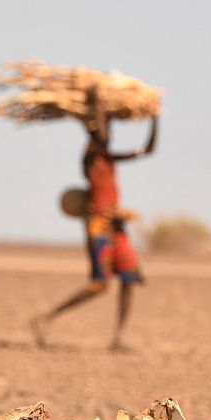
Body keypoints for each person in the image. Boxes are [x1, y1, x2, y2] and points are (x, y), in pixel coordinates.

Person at [31, 89, 158, 351]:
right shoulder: (91, 156)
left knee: (129, 276)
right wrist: (97, 101)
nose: (108, 133)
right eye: (104, 128)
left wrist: (155, 118)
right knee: (99, 285)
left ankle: (118, 338)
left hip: (116, 226)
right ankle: (46, 319)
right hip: (98, 226)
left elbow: (147, 150)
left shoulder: (108, 157)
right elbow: (100, 133)